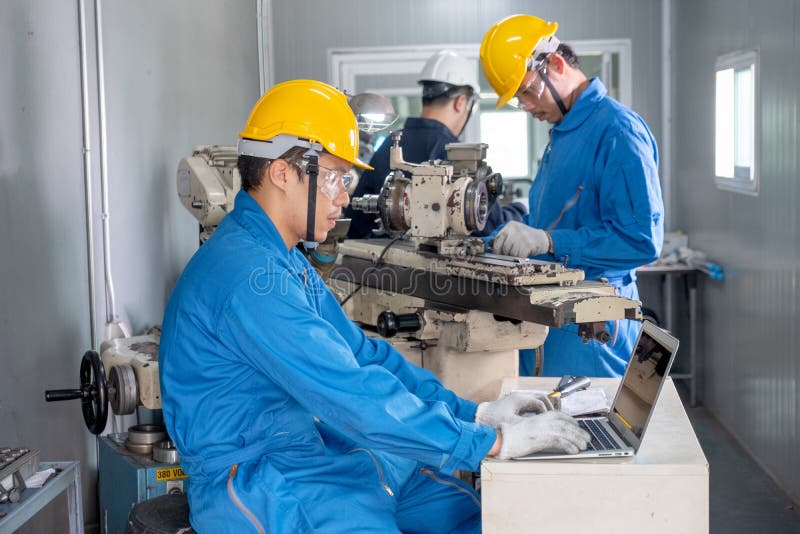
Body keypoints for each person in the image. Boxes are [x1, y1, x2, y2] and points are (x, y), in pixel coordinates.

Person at [159, 79, 590, 533]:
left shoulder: (282, 258)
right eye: (333, 178)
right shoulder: (247, 277)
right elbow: (349, 394)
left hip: (315, 451)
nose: (344, 196)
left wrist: (476, 415)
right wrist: (492, 442)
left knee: (484, 518)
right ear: (281, 173)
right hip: (261, 481)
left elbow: (365, 358)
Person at [480, 15, 664, 378]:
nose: (527, 107)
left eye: (527, 91)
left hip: (590, 332)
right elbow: (554, 222)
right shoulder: (563, 133)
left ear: (557, 64)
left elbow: (640, 240)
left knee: (591, 432)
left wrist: (547, 239)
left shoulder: (617, 131)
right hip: (548, 323)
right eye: (519, 99)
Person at [346, 50, 527, 238]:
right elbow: (489, 228)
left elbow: (355, 225)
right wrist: (521, 209)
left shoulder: (388, 149)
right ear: (461, 102)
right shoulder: (459, 157)